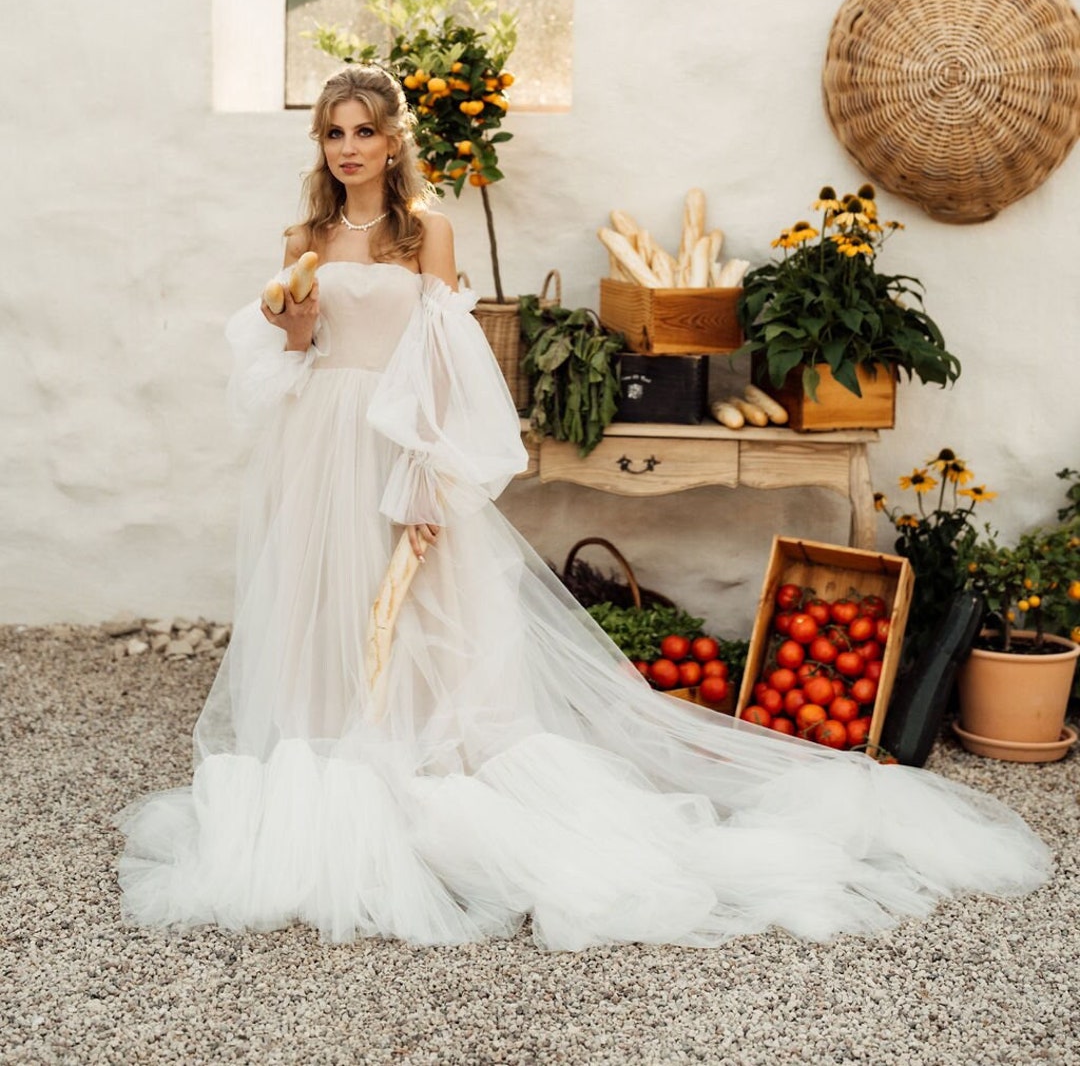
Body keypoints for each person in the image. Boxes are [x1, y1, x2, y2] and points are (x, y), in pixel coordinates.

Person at [113, 65, 1051, 951]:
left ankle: (422, 760)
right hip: (321, 436)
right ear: (319, 145)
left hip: (398, 438)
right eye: (332, 134)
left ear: (394, 143)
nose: (348, 148)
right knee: (325, 595)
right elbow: (301, 349)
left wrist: (434, 472)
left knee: (418, 607)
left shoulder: (424, 235)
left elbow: (444, 359)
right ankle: (329, 757)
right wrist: (293, 328)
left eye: (365, 132)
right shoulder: (303, 241)